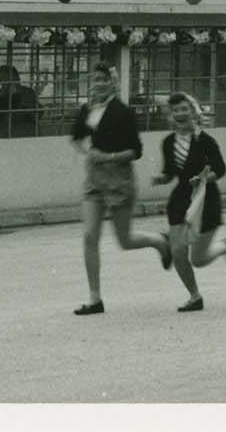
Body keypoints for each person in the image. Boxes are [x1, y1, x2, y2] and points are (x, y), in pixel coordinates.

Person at [69, 62, 171, 315]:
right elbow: (75, 138)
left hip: (119, 179)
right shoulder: (87, 109)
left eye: (104, 79)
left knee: (124, 241)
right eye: (95, 79)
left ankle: (159, 241)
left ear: (113, 82)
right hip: (95, 180)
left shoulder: (121, 111)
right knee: (89, 235)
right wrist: (88, 154)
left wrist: (109, 157)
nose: (99, 84)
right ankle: (95, 298)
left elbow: (136, 150)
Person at [151, 92, 226, 312]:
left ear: (193, 111)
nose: (180, 114)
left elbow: (220, 169)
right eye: (175, 111)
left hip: (205, 200)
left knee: (198, 259)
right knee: (179, 251)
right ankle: (195, 296)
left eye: (184, 109)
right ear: (171, 116)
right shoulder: (168, 142)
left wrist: (203, 179)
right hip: (181, 199)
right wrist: (162, 178)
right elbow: (170, 172)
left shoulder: (206, 140)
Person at [0, 64, 40, 138]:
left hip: (26, 131)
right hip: (5, 132)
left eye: (4, 78)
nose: (0, 80)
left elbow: (33, 114)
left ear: (15, 78)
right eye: (1, 78)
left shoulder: (28, 92)